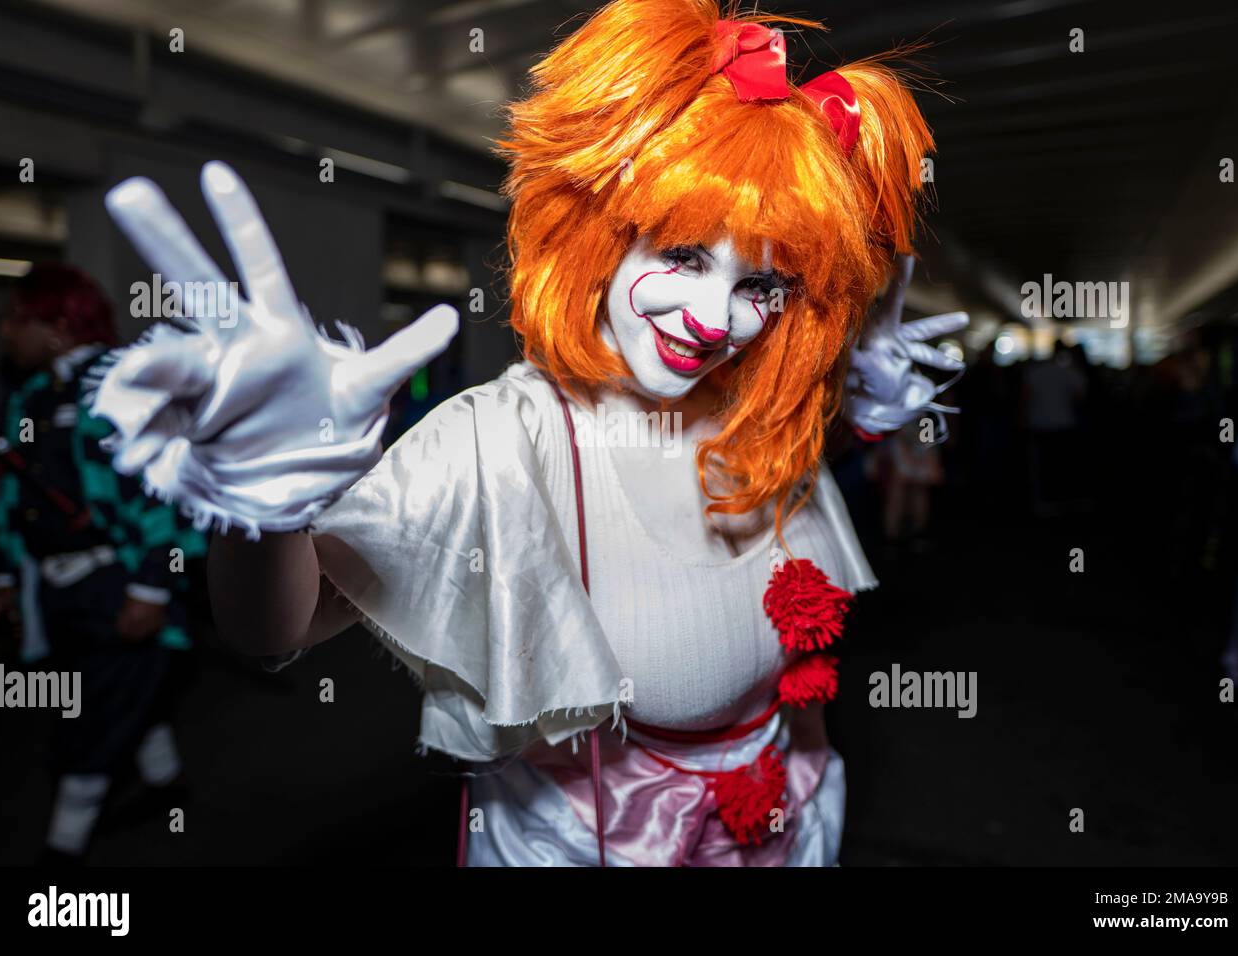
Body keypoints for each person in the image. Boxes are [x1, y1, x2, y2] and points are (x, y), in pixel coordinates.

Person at [88, 0, 963, 866]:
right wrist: (267, 502)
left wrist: (850, 403)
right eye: (685, 255)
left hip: (785, 815)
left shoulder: (753, 409)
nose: (715, 317)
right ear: (597, 240)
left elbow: (785, 500)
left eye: (761, 286)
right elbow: (281, 626)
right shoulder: (502, 436)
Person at [0, 263, 207, 864]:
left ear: (57, 326)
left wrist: (153, 588)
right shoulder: (28, 397)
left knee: (88, 718)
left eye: (17, 319)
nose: (5, 332)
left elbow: (165, 489)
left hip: (119, 580)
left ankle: (63, 851)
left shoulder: (119, 388)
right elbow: (13, 491)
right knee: (109, 692)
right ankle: (166, 785)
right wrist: (5, 574)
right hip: (55, 589)